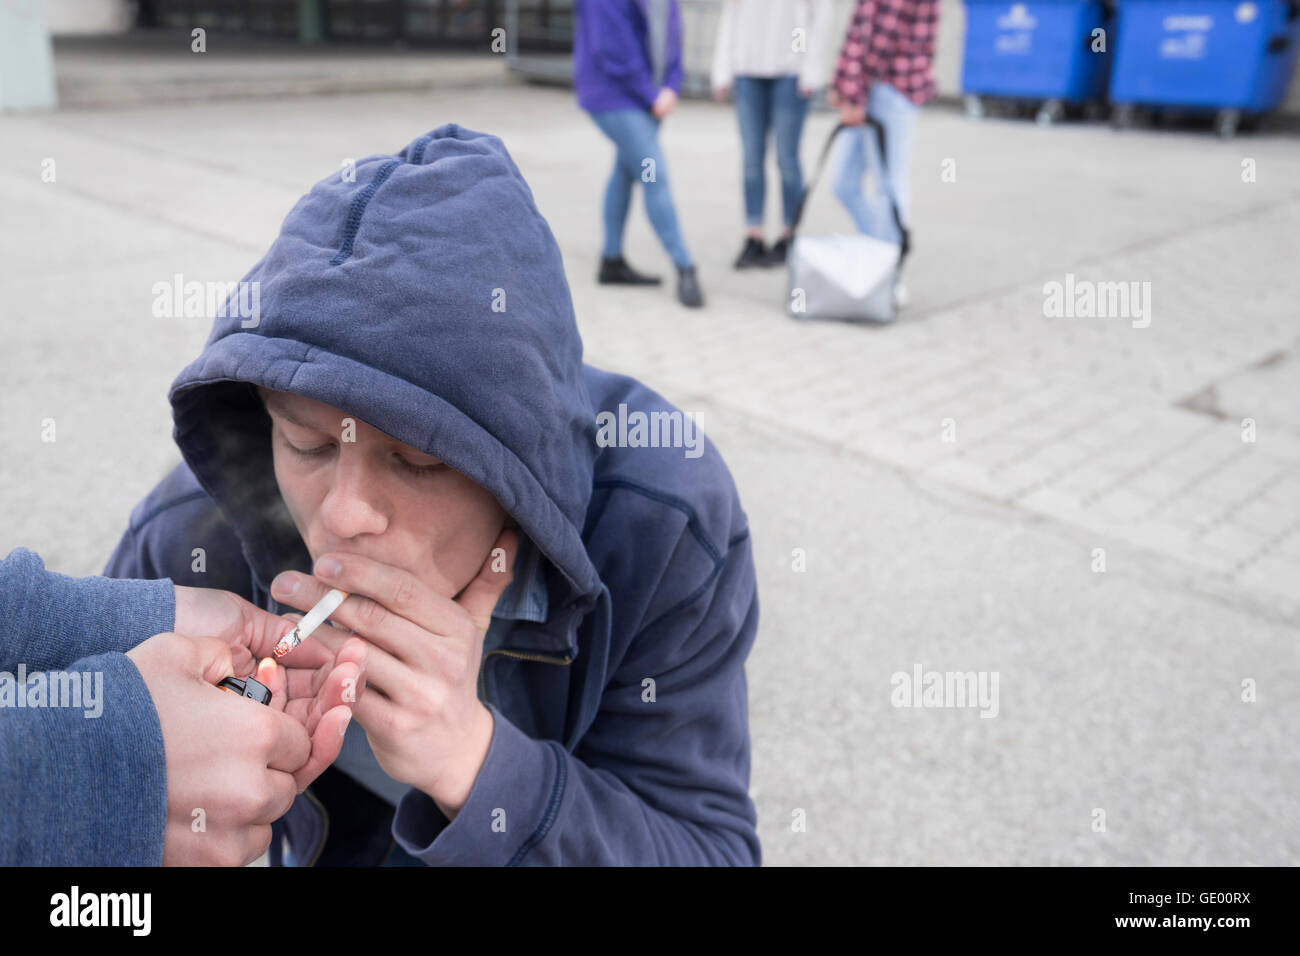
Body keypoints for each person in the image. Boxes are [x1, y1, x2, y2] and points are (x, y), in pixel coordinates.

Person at [105, 125, 761, 866]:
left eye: (415, 461)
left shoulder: (662, 523)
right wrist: (132, 808)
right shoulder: (197, 533)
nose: (345, 515)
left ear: (518, 475)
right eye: (309, 444)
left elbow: (710, 847)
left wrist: (479, 765)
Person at [0, 548, 362, 865]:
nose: (344, 513)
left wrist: (132, 622)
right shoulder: (169, 532)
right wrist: (120, 770)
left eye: (421, 465)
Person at [572, 0, 704, 308]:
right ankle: (685, 265)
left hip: (650, 98)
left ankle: (611, 260)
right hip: (614, 95)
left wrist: (673, 84)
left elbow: (671, 37)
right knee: (651, 170)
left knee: (626, 170)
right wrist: (652, 95)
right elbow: (612, 48)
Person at [827, 0, 939, 308]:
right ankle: (884, 254)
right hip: (870, 86)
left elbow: (879, 37)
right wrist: (843, 83)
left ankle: (887, 273)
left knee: (889, 186)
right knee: (843, 183)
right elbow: (861, 27)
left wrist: (853, 94)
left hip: (891, 89)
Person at [711, 0, 832, 268]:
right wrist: (722, 71)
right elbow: (730, 15)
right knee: (752, 159)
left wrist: (812, 69)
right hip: (747, 71)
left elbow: (820, 15)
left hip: (791, 71)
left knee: (787, 158)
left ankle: (789, 235)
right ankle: (754, 236)